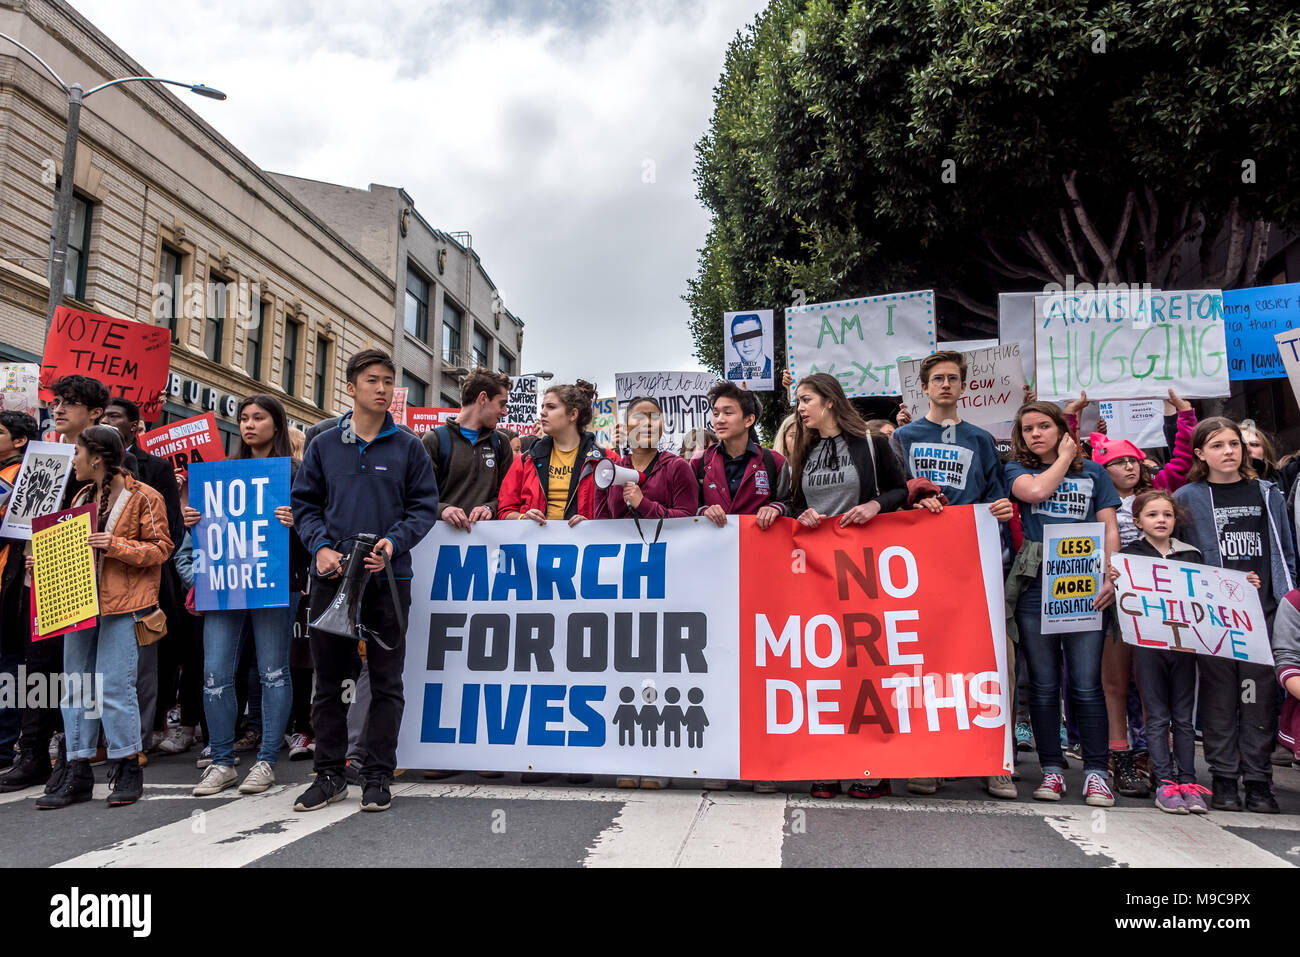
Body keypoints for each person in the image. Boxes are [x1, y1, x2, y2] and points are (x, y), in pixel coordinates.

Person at [291, 350, 439, 813]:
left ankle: (377, 775)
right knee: (328, 681)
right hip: (331, 579)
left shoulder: (410, 447)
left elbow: (423, 508)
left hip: (388, 579)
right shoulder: (322, 444)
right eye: (372, 380)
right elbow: (305, 505)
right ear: (351, 388)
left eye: (389, 382)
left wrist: (393, 544)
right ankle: (330, 774)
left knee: (386, 680)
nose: (382, 388)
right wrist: (321, 548)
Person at [892, 350, 1016, 799]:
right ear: (923, 387)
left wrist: (1002, 509)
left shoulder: (981, 439)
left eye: (953, 379)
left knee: (986, 654)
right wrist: (911, 499)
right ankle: (932, 757)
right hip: (919, 564)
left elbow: (995, 495)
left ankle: (994, 759)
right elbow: (890, 494)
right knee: (926, 659)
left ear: (963, 387)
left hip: (973, 563)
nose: (945, 385)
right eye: (937, 379)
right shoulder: (903, 437)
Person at [784, 373, 907, 800]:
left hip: (862, 569)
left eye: (805, 400)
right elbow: (790, 502)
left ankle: (870, 764)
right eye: (799, 401)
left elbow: (899, 491)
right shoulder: (801, 448)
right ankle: (827, 761)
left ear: (830, 402)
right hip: (815, 572)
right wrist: (794, 514)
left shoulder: (873, 445)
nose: (799, 407)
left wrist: (874, 505)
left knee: (863, 667)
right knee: (822, 668)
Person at [36, 426, 172, 809]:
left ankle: (128, 764)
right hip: (78, 600)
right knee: (76, 686)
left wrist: (116, 545)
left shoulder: (146, 497)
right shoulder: (82, 495)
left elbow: (162, 548)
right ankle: (77, 768)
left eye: (77, 452)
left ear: (96, 457)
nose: (73, 460)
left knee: (114, 687)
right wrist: (44, 559)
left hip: (125, 603)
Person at [1073, 388, 1197, 798]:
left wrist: (1186, 416)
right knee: (1114, 682)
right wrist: (1075, 419)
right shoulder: (1092, 492)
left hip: (1154, 600)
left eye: (1131, 459)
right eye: (1117, 461)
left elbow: (1181, 461)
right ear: (1100, 468)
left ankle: (1153, 754)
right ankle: (1119, 754)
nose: (1128, 466)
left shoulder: (1156, 493)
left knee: (1151, 685)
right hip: (1113, 599)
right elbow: (1071, 459)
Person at [185, 395, 309, 797]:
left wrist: (296, 523)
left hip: (275, 582)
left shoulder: (295, 473)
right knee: (215, 674)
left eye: (259, 417)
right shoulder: (222, 474)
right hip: (225, 581)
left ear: (277, 423)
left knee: (274, 671)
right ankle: (221, 761)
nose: (249, 424)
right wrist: (192, 521)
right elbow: (207, 537)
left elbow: (317, 530)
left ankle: (267, 760)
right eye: (244, 418)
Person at [1173, 417, 1296, 813]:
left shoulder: (1267, 492)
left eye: (1234, 444)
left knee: (1258, 700)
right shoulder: (1189, 496)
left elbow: (1285, 551)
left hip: (1263, 614)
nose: (1229, 451)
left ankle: (1258, 781)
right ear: (1199, 454)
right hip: (1214, 618)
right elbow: (1179, 554)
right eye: (1218, 445)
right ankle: (1224, 778)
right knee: (1219, 701)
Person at [1003, 401, 1120, 807]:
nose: (1036, 434)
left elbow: (1108, 525)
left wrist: (1110, 573)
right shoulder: (1016, 471)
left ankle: (1096, 773)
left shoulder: (1096, 473)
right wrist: (1066, 456)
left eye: (1044, 426)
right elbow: (1036, 492)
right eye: (1028, 428)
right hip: (1036, 587)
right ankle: (1051, 770)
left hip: (1083, 585)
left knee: (1087, 685)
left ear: (1060, 428)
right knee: (1044, 685)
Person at [594, 395, 698, 790]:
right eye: (638, 417)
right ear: (627, 424)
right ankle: (627, 753)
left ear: (662, 425)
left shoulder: (678, 468)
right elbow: (602, 522)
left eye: (654, 418)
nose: (646, 423)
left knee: (661, 666)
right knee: (625, 665)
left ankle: (658, 758)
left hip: (667, 581)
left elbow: (689, 522)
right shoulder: (612, 469)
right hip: (625, 583)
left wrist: (647, 505)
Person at [418, 367, 515, 782]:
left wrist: (492, 507)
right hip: (443, 567)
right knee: (447, 656)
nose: (504, 412)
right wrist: (443, 510)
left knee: (488, 654)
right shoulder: (433, 440)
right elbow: (418, 496)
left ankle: (485, 751)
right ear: (481, 400)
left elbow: (509, 493)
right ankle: (442, 751)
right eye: (501, 404)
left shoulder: (503, 444)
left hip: (488, 566)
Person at [696, 381, 788, 794]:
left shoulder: (775, 462)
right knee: (718, 668)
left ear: (749, 420)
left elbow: (798, 502)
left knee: (761, 671)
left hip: (763, 580)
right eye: (715, 411)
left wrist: (778, 506)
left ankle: (762, 763)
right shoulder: (698, 463)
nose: (719, 418)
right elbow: (682, 509)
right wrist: (700, 510)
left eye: (728, 412)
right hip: (713, 581)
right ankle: (720, 757)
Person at [1107, 490, 1212, 814]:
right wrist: (1115, 578)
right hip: (1148, 647)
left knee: (1183, 717)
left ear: (1175, 519)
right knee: (1157, 715)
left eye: (1166, 514)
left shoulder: (1190, 555)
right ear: (1138, 521)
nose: (1161, 520)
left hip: (1184, 647)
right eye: (1152, 515)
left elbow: (1208, 595)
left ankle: (1188, 781)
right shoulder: (1130, 556)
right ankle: (1165, 782)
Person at [98, 398, 187, 757]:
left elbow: (170, 535)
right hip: (99, 588)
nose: (107, 421)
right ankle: (99, 739)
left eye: (115, 416)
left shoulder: (157, 470)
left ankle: (140, 736)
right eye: (103, 416)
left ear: (135, 426)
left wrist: (124, 549)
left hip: (146, 585)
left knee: (143, 666)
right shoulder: (84, 477)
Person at [498, 380, 611, 526]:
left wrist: (591, 525)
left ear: (573, 414)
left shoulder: (606, 460)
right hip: (536, 545)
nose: (542, 412)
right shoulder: (526, 460)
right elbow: (504, 510)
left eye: (551, 407)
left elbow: (619, 513)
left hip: (585, 546)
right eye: (542, 406)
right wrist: (523, 518)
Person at [0, 412, 43, 790]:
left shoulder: (18, 476)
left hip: (11, 583)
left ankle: (6, 744)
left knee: (11, 665)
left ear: (19, 441)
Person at [726, 312, 772, 383]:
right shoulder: (729, 376)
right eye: (740, 337)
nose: (746, 344)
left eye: (752, 335)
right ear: (733, 342)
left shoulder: (775, 370)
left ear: (763, 335)